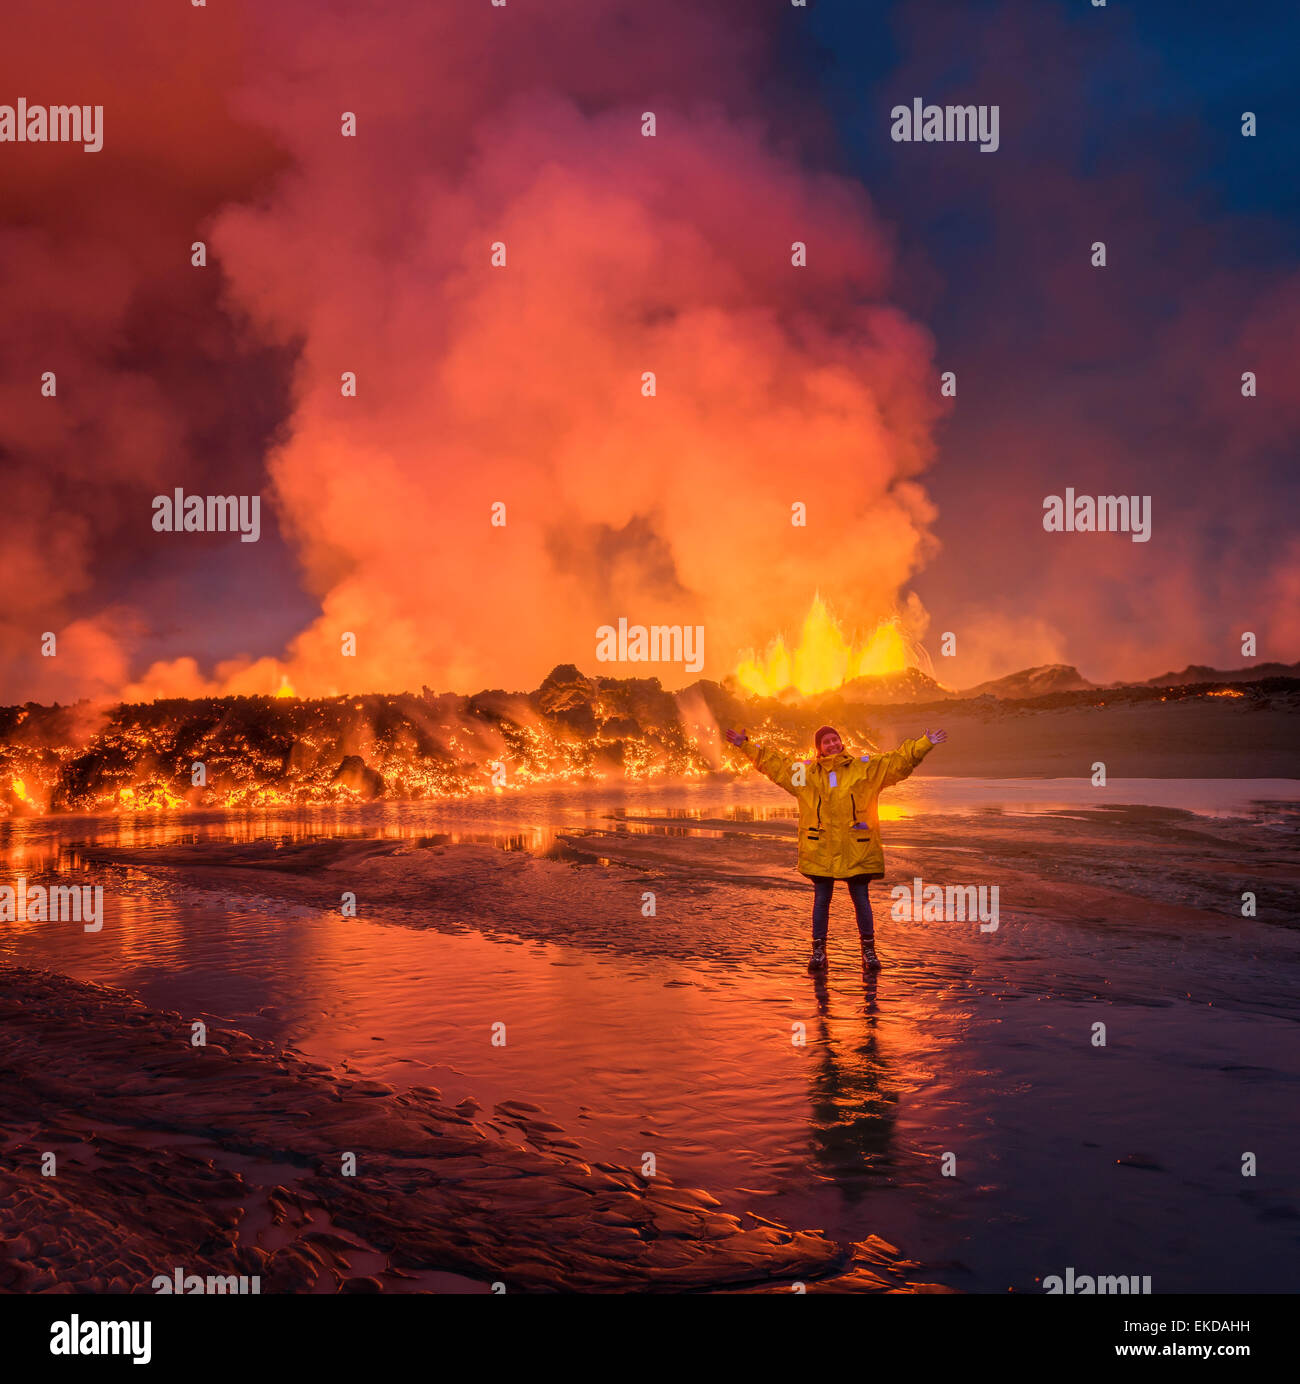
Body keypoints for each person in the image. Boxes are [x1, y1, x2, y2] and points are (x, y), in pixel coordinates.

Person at [724, 722, 948, 975]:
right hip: (821, 849)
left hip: (857, 847)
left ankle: (869, 952)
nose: (832, 744)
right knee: (822, 900)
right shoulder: (806, 774)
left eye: (835, 739)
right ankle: (818, 952)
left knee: (861, 900)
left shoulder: (863, 769)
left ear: (841, 742)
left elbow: (896, 762)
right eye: (826, 741)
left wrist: (924, 744)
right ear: (819, 747)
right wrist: (745, 746)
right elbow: (777, 765)